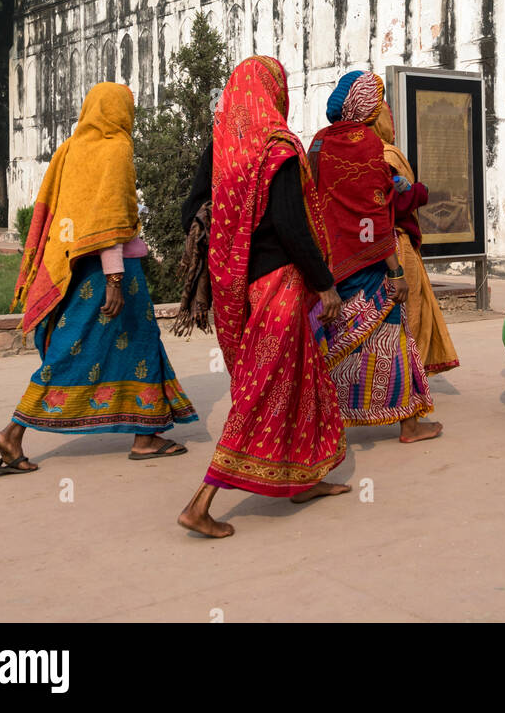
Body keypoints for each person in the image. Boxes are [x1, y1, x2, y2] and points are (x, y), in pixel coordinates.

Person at [0, 82, 197, 475]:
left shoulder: (71, 149)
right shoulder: (115, 149)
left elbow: (76, 215)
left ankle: (145, 434)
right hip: (112, 273)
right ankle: (13, 432)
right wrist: (114, 278)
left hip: (76, 267)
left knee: (106, 346)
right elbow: (109, 217)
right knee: (111, 345)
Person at [177, 56, 349, 539]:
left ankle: (302, 478)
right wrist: (324, 282)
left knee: (306, 379)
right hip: (282, 287)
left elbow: (193, 209)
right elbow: (293, 227)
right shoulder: (279, 149)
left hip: (241, 286)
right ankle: (201, 502)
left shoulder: (222, 146)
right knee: (264, 390)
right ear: (274, 92)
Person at [308, 71, 441, 444]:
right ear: (368, 105)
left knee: (332, 344)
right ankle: (409, 426)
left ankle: (327, 424)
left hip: (330, 264)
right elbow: (377, 211)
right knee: (393, 340)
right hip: (371, 263)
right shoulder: (366, 143)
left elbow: (315, 201)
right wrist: (395, 271)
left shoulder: (318, 143)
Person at [370, 100, 459, 377]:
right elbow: (393, 205)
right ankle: (408, 381)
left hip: (373, 245)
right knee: (409, 317)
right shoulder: (386, 154)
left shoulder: (362, 153)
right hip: (396, 244)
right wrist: (420, 192)